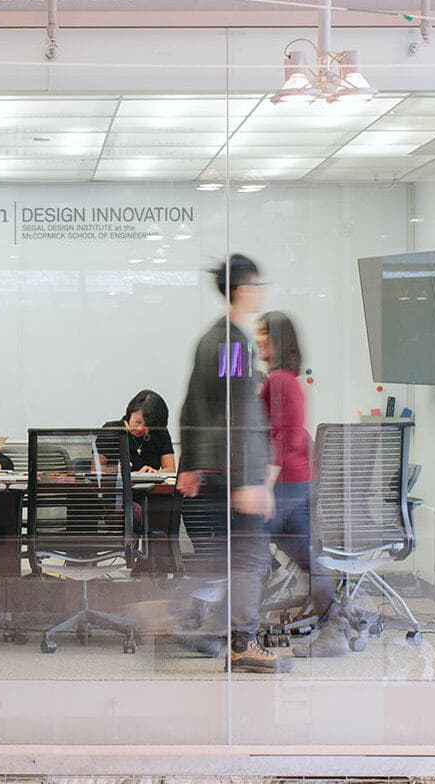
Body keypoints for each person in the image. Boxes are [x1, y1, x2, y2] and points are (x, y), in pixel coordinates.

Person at [177, 254, 291, 674]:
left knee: (230, 557)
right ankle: (241, 641)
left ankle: (183, 616)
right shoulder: (232, 343)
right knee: (249, 558)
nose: (263, 291)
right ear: (243, 289)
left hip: (219, 469)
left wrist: (189, 464)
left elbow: (191, 404)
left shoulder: (217, 338)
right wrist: (249, 480)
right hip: (232, 472)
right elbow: (237, 409)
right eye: (259, 284)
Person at [256, 311, 343, 658]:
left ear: (276, 339)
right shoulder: (288, 379)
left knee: (243, 546)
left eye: (262, 333)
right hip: (300, 480)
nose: (257, 339)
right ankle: (332, 631)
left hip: (283, 482)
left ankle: (235, 629)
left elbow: (281, 437)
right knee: (309, 559)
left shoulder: (277, 381)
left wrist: (265, 485)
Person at [100, 389, 177, 473]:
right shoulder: (112, 430)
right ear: (131, 412)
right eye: (138, 422)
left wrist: (154, 474)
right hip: (119, 484)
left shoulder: (160, 433)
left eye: (148, 426)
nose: (140, 429)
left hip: (151, 485)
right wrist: (117, 469)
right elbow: (95, 470)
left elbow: (170, 469)